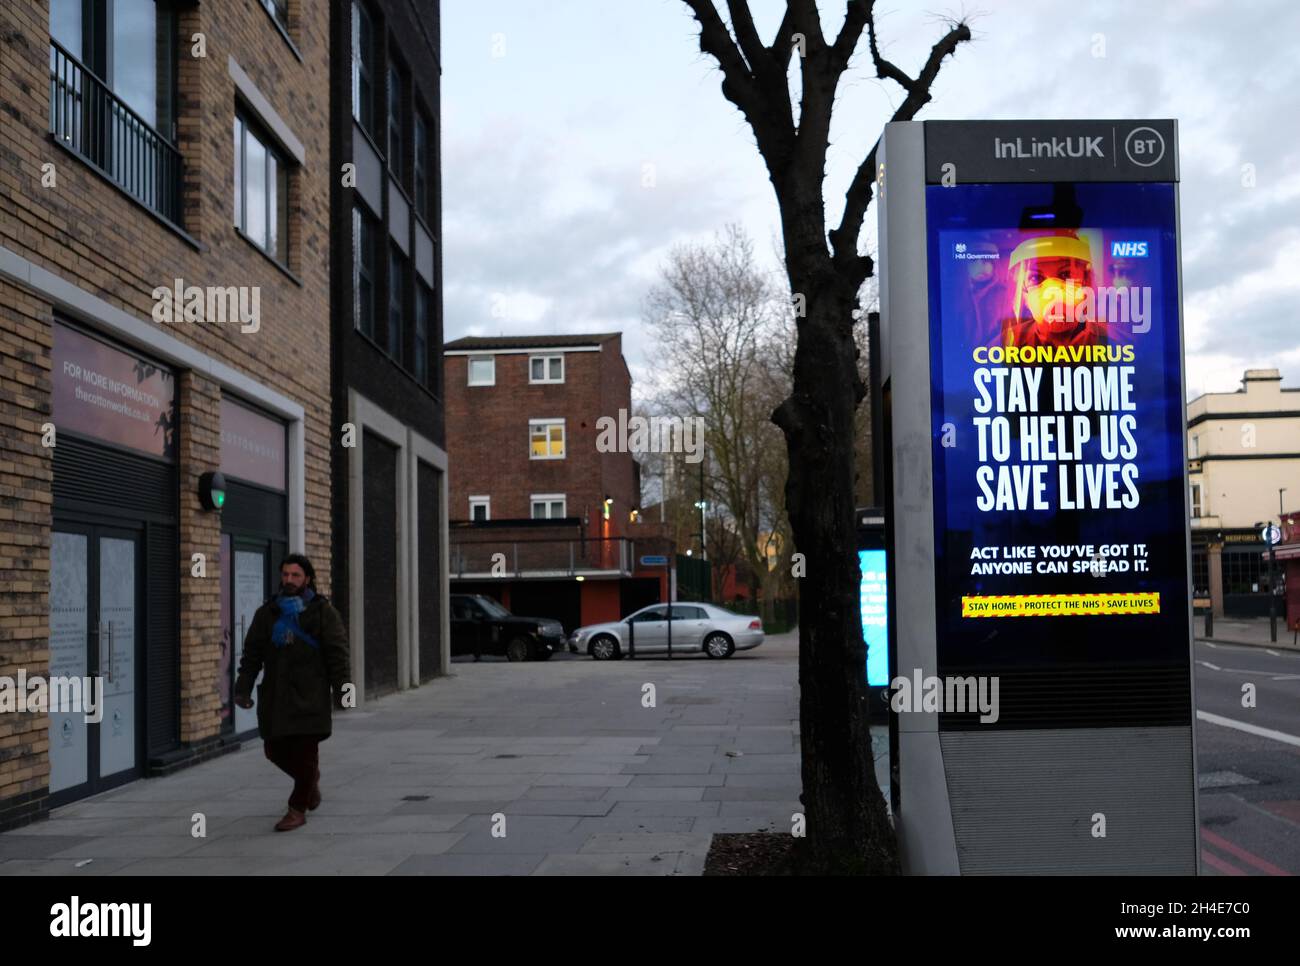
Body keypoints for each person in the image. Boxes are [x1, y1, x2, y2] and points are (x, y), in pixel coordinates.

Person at [234, 554, 351, 832]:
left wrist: (344, 691)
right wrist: (243, 688)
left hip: (311, 695)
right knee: (273, 751)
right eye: (285, 574)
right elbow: (252, 655)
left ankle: (297, 808)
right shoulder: (267, 613)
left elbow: (338, 654)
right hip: (276, 696)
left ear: (307, 578)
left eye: (295, 575)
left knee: (306, 752)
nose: (289, 580)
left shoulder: (322, 612)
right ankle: (310, 781)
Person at [1000, 232, 1112, 348]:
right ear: (1023, 293)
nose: (1052, 293)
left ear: (1086, 282)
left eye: (1066, 274)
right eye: (1036, 278)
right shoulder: (1006, 344)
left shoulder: (1112, 343)